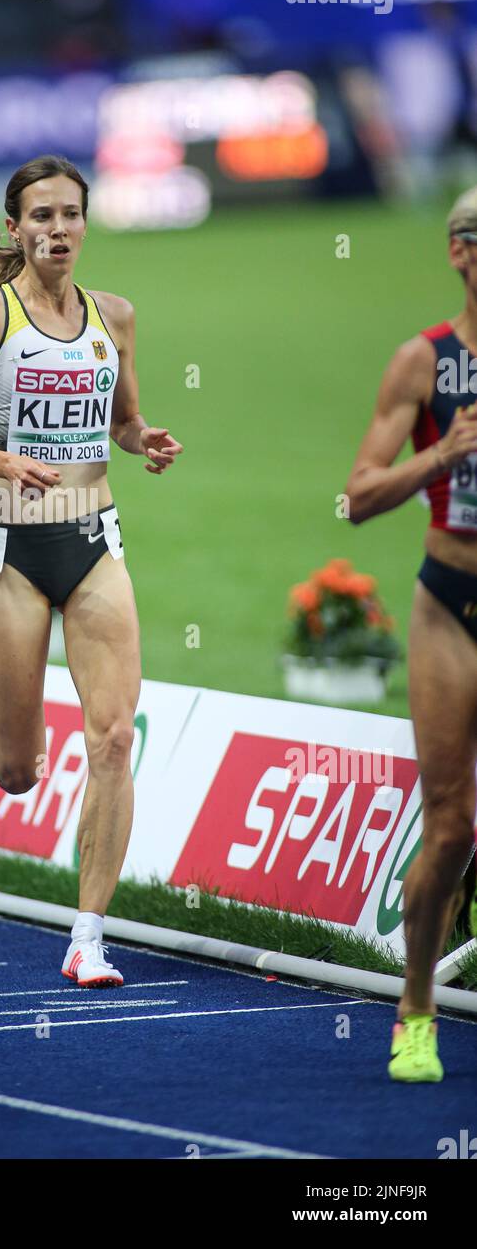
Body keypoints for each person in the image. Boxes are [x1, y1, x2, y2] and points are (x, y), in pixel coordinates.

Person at [0, 154, 183, 987]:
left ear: (86, 223)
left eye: (71, 214)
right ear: (17, 227)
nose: (59, 230)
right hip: (12, 557)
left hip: (95, 544)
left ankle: (88, 937)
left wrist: (143, 439)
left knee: (114, 737)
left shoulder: (115, 316)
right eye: (42, 216)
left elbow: (123, 423)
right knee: (18, 773)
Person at [345, 185, 477, 1081]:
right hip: (450, 611)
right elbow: (357, 496)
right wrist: (440, 454)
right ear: (460, 252)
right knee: (453, 826)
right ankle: (418, 1007)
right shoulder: (424, 362)